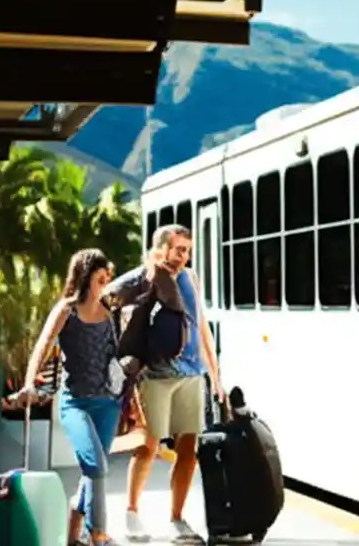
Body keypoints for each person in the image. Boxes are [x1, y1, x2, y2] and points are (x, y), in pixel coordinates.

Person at [102, 224, 223, 543]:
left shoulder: (191, 278)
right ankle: (131, 512)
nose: (185, 256)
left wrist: (216, 375)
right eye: (179, 249)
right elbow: (107, 298)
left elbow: (201, 327)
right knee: (148, 447)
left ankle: (177, 518)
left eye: (188, 250)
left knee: (189, 450)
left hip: (191, 375)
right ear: (163, 249)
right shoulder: (145, 276)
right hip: (155, 377)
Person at [15, 248, 125, 546]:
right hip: (75, 403)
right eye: (100, 279)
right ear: (85, 277)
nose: (104, 284)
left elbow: (118, 359)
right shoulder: (67, 310)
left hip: (108, 403)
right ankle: (99, 535)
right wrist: (28, 384)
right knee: (96, 467)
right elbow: (43, 344)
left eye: (107, 279)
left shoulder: (109, 312)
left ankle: (73, 536)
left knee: (93, 472)